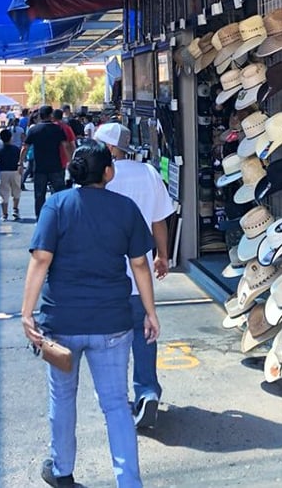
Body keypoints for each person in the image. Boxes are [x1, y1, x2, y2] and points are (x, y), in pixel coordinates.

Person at [21, 140, 160, 488]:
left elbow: (41, 259)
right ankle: (129, 482)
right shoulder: (125, 208)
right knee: (116, 405)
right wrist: (149, 311)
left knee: (62, 397)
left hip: (60, 323)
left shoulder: (57, 205)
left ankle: (62, 470)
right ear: (108, 173)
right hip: (111, 322)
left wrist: (27, 313)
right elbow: (139, 264)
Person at [95, 122, 174, 429]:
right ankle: (147, 392)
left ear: (109, 148)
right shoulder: (149, 174)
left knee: (110, 340)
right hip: (140, 279)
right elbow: (159, 221)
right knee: (145, 334)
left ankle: (116, 399)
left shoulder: (97, 178)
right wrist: (163, 255)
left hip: (106, 276)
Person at [20, 105, 68, 219]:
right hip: (56, 166)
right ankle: (60, 216)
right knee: (59, 193)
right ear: (51, 115)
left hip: (39, 167)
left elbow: (25, 147)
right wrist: (69, 161)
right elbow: (64, 146)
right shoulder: (58, 129)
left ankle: (40, 218)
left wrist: (20, 162)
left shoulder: (34, 130)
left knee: (39, 195)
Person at [0, 128, 22, 221]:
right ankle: (15, 210)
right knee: (16, 191)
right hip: (15, 172)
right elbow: (20, 159)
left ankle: (4, 214)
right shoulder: (16, 149)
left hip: (3, 172)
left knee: (3, 193)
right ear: (11, 138)